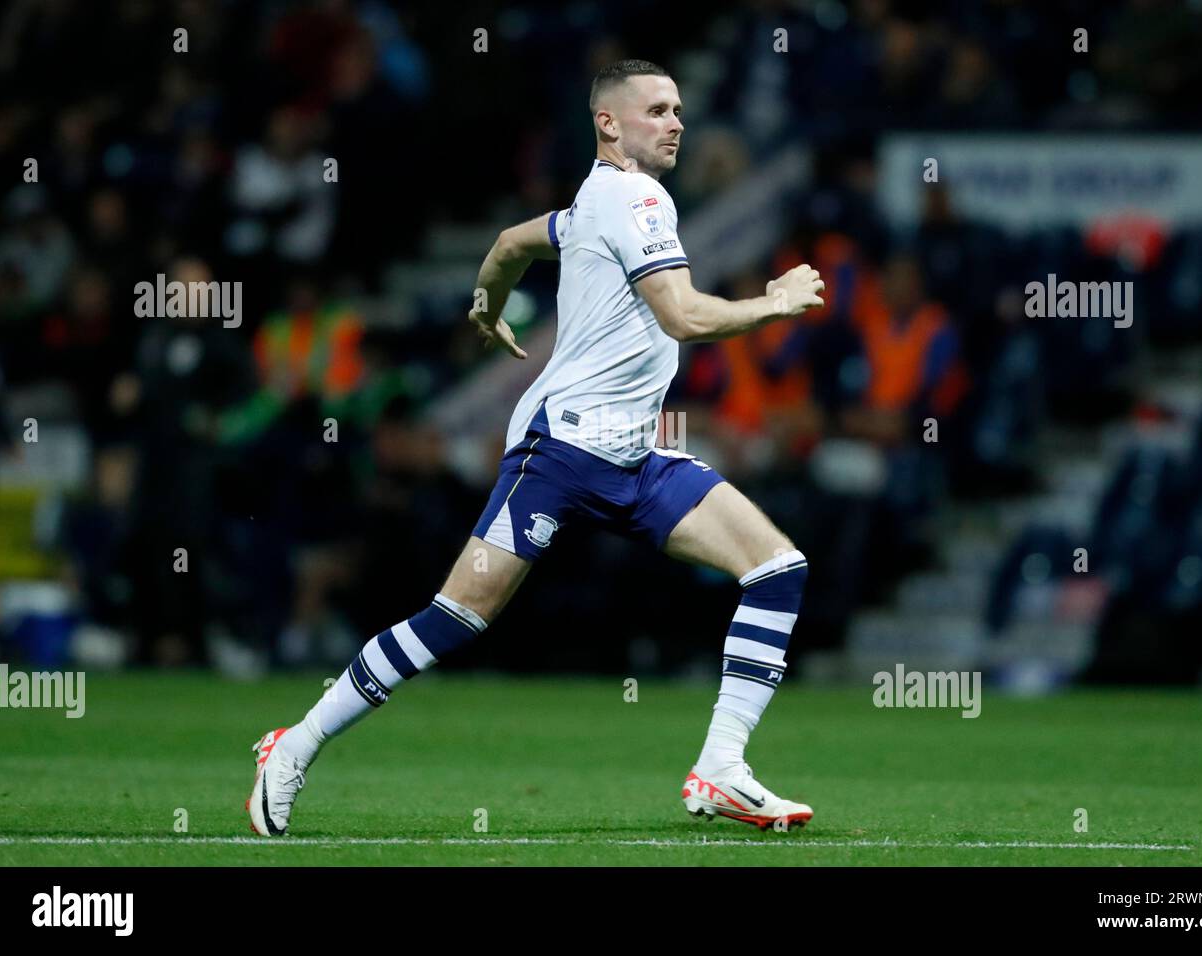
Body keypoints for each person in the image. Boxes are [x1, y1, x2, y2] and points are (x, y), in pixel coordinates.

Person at [247, 59, 826, 835]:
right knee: (457, 615)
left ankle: (721, 768)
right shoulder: (636, 197)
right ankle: (292, 746)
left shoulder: (596, 201)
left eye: (679, 107)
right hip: (559, 456)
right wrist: (777, 302)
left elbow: (512, 240)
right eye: (657, 109)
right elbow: (684, 316)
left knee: (776, 569)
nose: (677, 121)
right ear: (609, 124)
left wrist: (486, 307)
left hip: (632, 459)